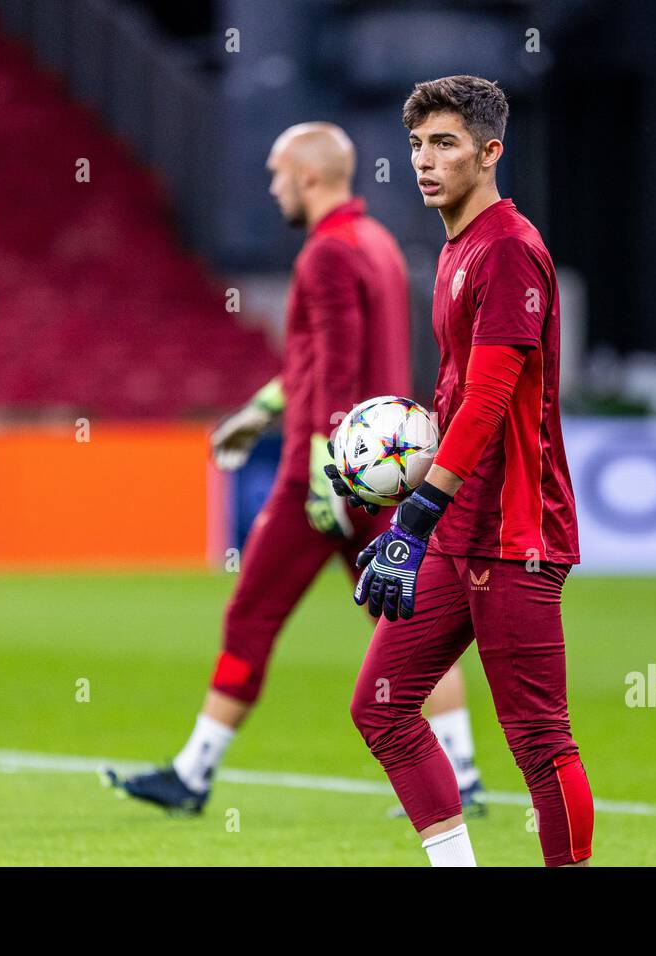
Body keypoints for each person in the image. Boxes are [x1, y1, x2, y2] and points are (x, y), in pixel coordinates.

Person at [105, 122, 486, 815]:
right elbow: (321, 363)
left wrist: (318, 476)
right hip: (387, 471)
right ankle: (461, 768)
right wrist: (258, 411)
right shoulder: (376, 246)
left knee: (252, 614)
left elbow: (335, 372)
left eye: (279, 173)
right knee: (405, 618)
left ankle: (193, 773)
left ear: (309, 177)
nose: (273, 185)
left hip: (325, 476)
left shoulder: (324, 255)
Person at [326, 78, 593, 866]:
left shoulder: (508, 249)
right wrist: (389, 473)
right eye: (415, 145)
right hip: (456, 526)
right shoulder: (457, 250)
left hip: (516, 532)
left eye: (443, 144)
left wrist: (410, 520)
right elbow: (456, 408)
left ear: (489, 152)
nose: (423, 161)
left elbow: (489, 402)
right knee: (381, 706)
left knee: (541, 743)